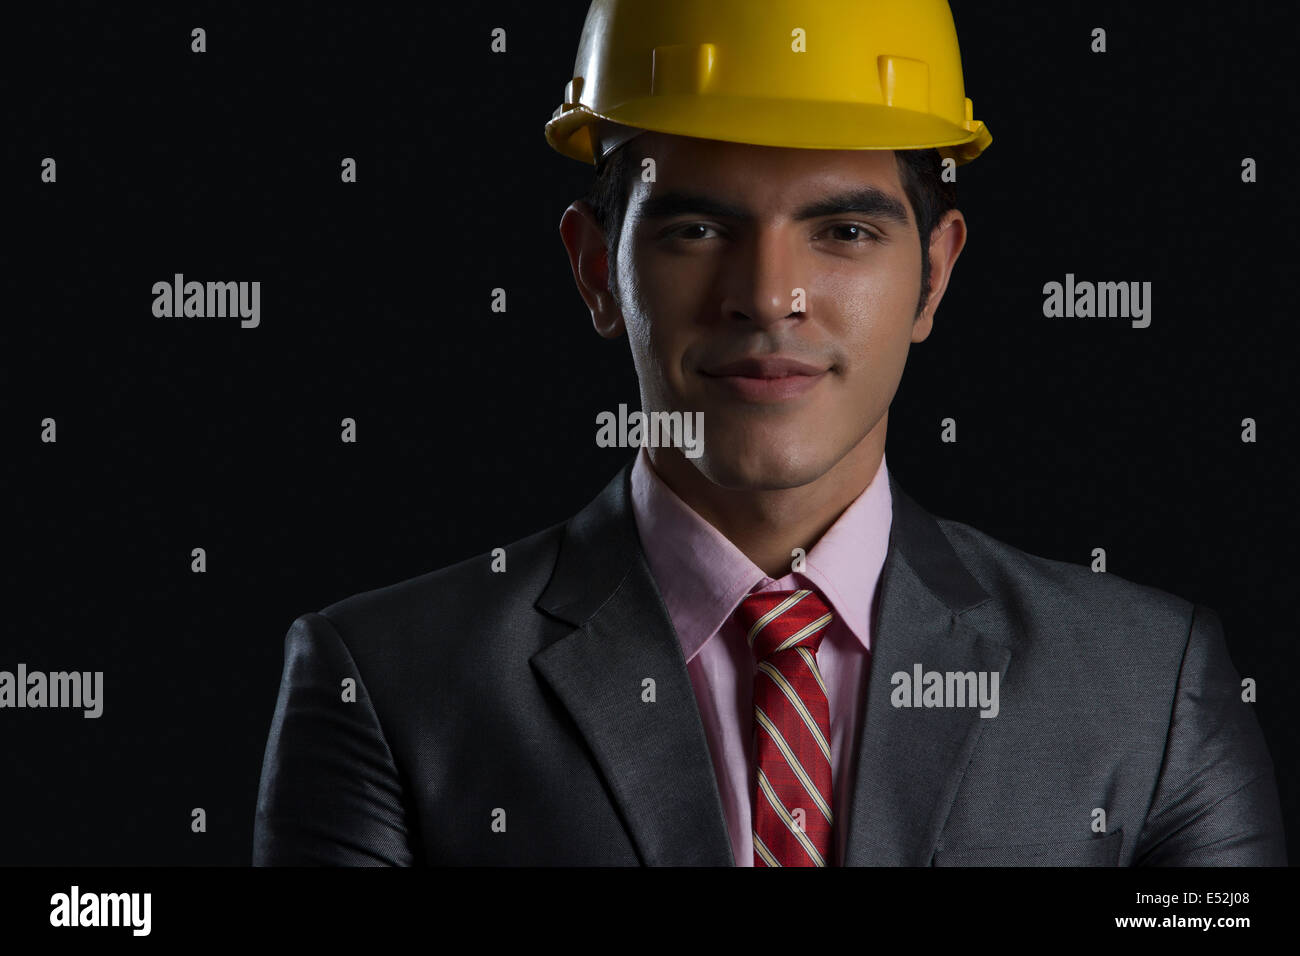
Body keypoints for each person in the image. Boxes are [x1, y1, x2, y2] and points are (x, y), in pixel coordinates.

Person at [252, 0, 1286, 866]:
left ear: (934, 272)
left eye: (842, 231)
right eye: (696, 228)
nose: (768, 296)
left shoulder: (1145, 687)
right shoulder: (387, 683)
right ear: (592, 269)